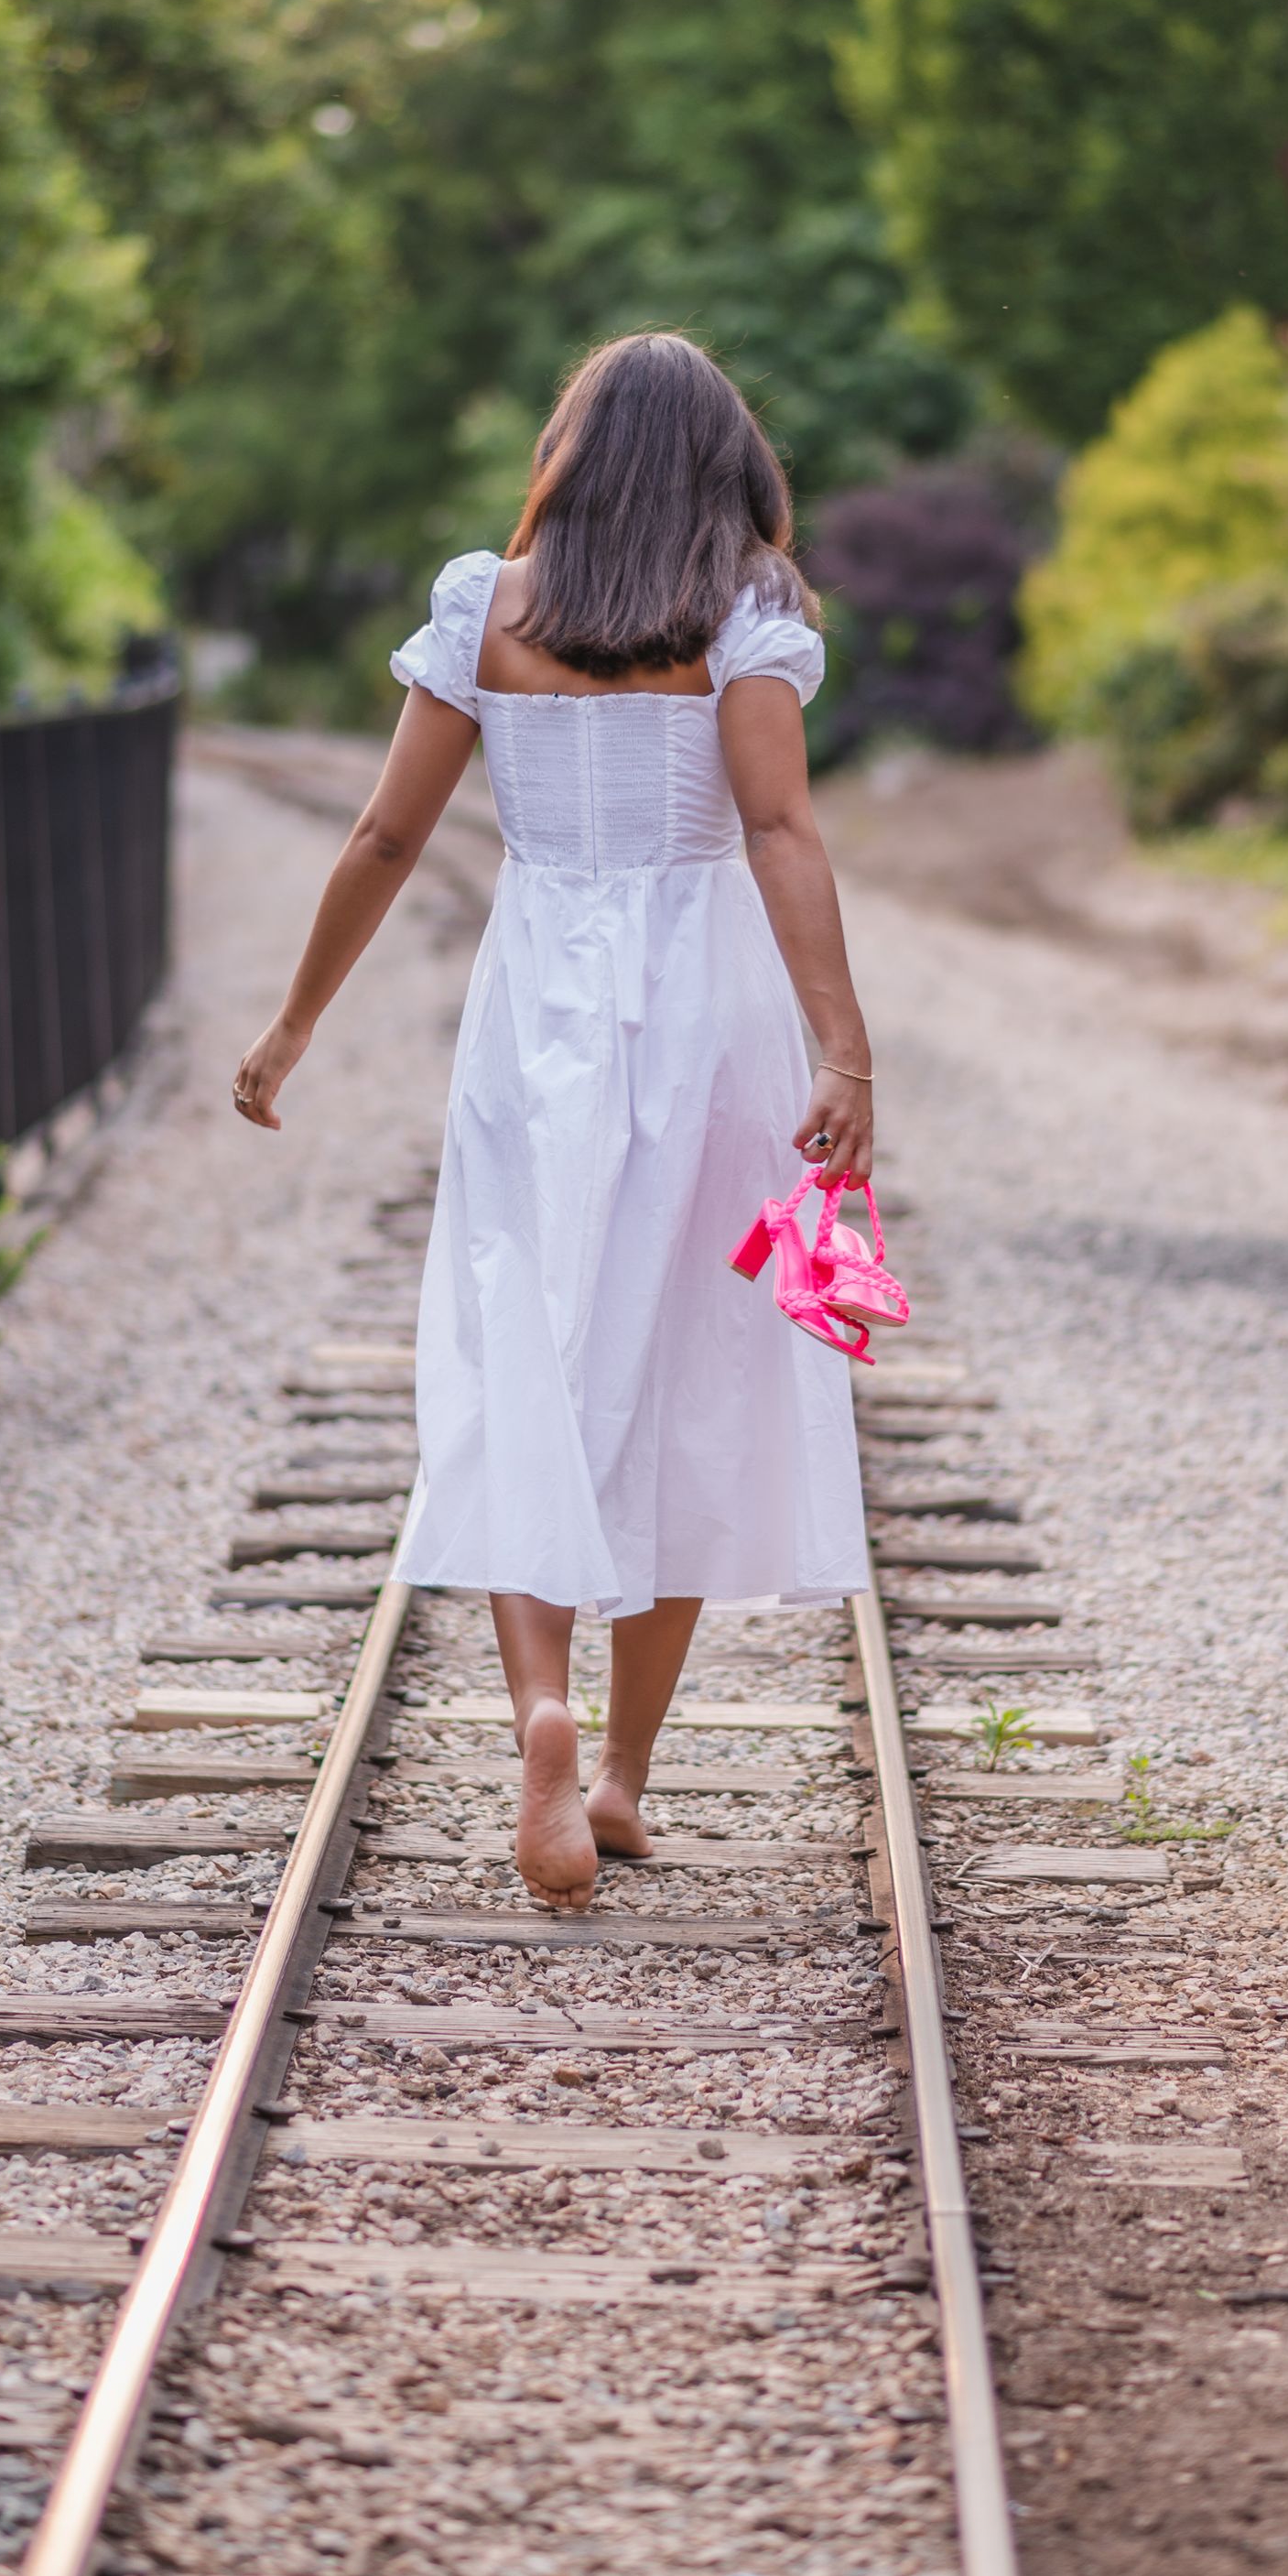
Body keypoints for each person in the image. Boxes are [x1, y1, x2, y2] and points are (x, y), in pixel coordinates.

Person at [232, 332, 876, 1908]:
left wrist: (296, 1017)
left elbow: (388, 837)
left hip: (533, 1020)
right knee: (689, 1363)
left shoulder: (486, 607)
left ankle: (538, 1705)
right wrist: (844, 1049)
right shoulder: (747, 614)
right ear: (726, 467)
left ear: (571, 456)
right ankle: (622, 1777)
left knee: (527, 1347)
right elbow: (780, 827)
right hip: (706, 1013)